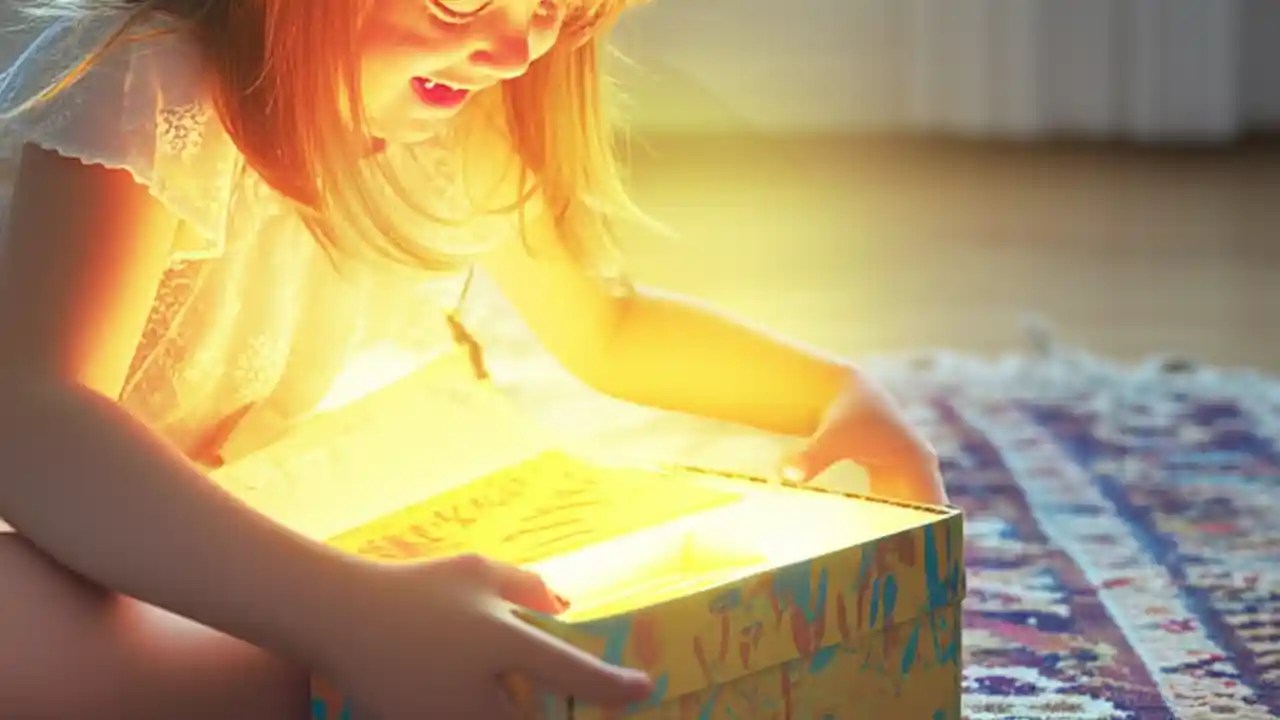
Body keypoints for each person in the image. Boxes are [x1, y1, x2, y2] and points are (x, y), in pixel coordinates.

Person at [0, 0, 947, 717]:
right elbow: (38, 422)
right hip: (41, 500)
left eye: (551, 9)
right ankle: (327, 662)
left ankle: (361, 650)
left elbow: (608, 329)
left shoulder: (464, 107)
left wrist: (834, 391)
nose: (517, 49)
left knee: (466, 498)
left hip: (232, 489)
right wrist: (345, 616)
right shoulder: (145, 86)